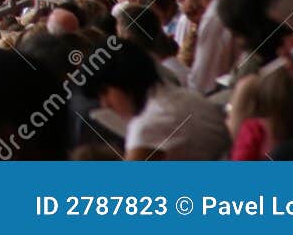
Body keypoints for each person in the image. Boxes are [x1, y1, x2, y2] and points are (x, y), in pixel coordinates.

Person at [84, 40, 229, 160]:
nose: (105, 104)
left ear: (123, 79)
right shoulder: (189, 97)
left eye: (105, 92)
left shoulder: (148, 126)